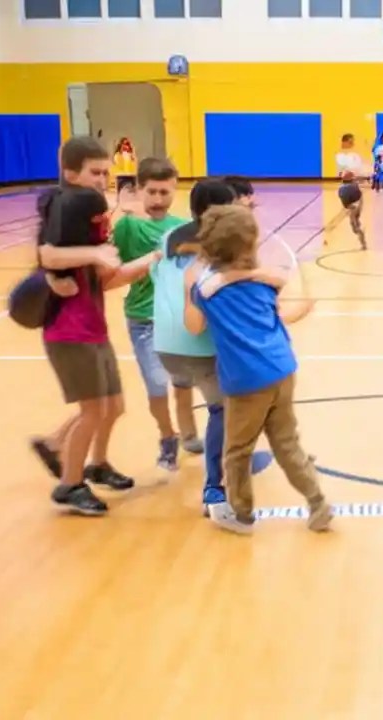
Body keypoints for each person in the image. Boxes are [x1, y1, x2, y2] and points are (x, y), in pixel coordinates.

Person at [184, 204, 333, 534]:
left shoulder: (206, 292)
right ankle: (317, 502)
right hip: (282, 369)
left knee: (236, 451)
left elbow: (195, 316)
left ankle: (242, 515)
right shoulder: (265, 284)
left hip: (246, 381)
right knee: (287, 443)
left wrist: (196, 277)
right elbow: (276, 280)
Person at [37, 182, 161, 515]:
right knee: (92, 411)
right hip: (71, 339)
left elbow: (111, 279)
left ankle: (98, 464)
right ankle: (69, 484)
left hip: (94, 335)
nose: (105, 221)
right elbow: (47, 257)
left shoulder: (91, 249)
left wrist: (155, 258)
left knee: (114, 406)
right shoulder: (66, 255)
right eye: (100, 216)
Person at [153, 179, 240, 528]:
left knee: (186, 382)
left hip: (164, 347)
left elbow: (157, 272)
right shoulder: (226, 247)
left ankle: (185, 437)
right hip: (199, 346)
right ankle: (214, 489)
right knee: (223, 408)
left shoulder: (167, 239)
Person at [112, 158, 195, 472]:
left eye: (165, 192)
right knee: (157, 386)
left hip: (177, 320)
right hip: (144, 319)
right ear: (139, 190)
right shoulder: (128, 226)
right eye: (152, 192)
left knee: (184, 382)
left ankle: (189, 433)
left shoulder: (181, 228)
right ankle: (167, 435)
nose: (159, 199)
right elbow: (111, 265)